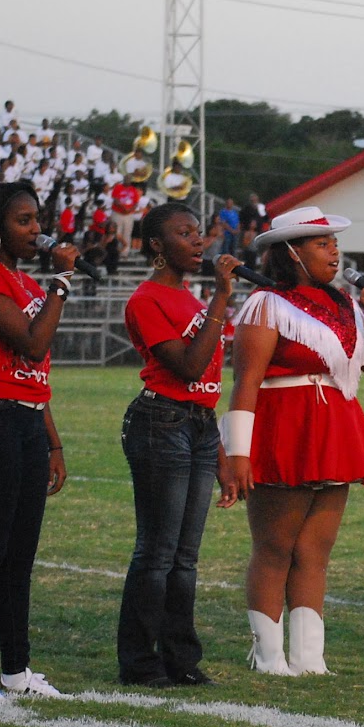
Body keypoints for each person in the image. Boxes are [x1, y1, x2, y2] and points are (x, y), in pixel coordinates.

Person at [223, 206, 364, 676]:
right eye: (323, 243)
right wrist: (238, 452)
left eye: (334, 242)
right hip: (285, 426)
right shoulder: (266, 303)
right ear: (292, 252)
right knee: (275, 547)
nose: (334, 251)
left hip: (336, 425)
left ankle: (309, 656)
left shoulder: (345, 303)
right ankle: (268, 655)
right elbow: (246, 382)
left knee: (316, 550)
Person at [0, 180, 80, 702]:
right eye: (23, 221)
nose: (36, 230)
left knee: (20, 555)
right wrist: (63, 283)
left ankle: (17, 671)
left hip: (26, 419)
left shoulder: (24, 282)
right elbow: (30, 345)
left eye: (37, 219)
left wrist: (53, 443)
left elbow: (36, 377)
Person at [116, 203, 239, 687]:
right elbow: (187, 367)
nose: (198, 242)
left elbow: (206, 386)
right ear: (157, 247)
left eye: (198, 233)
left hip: (199, 426)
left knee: (186, 556)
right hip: (160, 421)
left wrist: (222, 456)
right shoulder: (146, 300)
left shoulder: (193, 299)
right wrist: (221, 302)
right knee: (158, 551)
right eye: (184, 234)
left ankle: (180, 658)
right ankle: (139, 662)